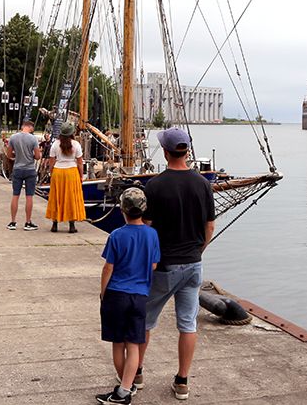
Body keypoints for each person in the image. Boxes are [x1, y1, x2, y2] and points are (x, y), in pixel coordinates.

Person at [138, 127, 215, 401]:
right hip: (193, 263)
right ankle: (182, 380)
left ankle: (137, 372)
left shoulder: (155, 186)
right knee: (188, 324)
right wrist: (199, 250)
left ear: (167, 152)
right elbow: (209, 225)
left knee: (145, 320)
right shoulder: (203, 184)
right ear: (187, 151)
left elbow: (146, 227)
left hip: (164, 264)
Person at [96, 188, 160, 405]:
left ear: (122, 209)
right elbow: (153, 264)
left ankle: (124, 390)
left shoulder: (116, 235)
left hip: (116, 294)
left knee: (117, 344)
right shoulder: (152, 234)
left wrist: (103, 294)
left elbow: (108, 268)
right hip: (139, 296)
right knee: (133, 345)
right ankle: (126, 387)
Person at [45, 122, 86, 233]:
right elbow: (80, 163)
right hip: (72, 172)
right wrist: (81, 176)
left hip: (58, 172)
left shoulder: (55, 144)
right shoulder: (76, 145)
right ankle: (71, 225)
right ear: (72, 133)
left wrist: (51, 172)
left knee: (57, 196)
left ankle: (55, 224)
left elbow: (51, 161)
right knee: (71, 197)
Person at [7, 119, 41, 231]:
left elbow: (9, 154)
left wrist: (17, 155)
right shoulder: (33, 139)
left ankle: (12, 222)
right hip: (30, 170)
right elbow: (37, 156)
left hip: (17, 169)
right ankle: (27, 222)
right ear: (30, 127)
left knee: (15, 195)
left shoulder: (13, 137)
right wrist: (31, 154)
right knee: (29, 196)